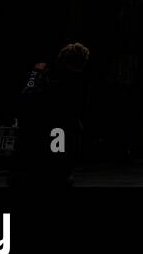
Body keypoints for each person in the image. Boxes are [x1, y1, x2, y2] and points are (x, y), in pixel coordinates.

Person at [12, 43, 91, 187]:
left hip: (41, 141)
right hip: (65, 139)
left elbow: (26, 95)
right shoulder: (81, 83)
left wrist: (35, 73)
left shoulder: (57, 82)